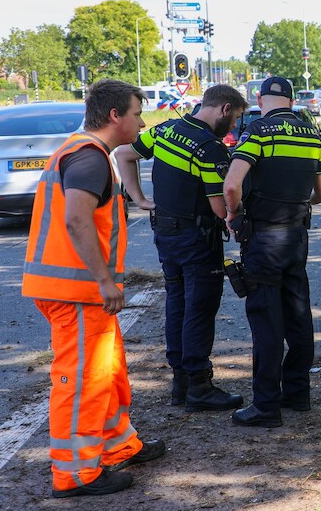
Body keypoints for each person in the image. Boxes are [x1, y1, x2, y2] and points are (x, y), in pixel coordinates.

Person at [23, 79, 166, 498]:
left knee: (107, 371)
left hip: (77, 290)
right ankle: (75, 474)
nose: (142, 123)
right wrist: (105, 280)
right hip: (77, 291)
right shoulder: (89, 157)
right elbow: (76, 219)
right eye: (137, 114)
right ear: (115, 116)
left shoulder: (85, 152)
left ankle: (117, 445)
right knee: (84, 380)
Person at [117, 84, 248, 412]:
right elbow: (219, 208)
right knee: (200, 308)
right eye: (235, 118)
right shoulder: (210, 148)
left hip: (166, 234)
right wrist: (239, 212)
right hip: (197, 240)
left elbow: (123, 155)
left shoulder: (165, 130)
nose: (233, 126)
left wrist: (139, 199)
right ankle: (200, 386)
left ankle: (181, 383)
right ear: (225, 109)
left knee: (177, 302)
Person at [223, 76, 321, 428]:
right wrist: (296, 204)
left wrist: (234, 213)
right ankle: (297, 393)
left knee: (266, 320)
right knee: (298, 315)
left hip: (263, 239)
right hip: (296, 237)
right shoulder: (313, 136)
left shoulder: (257, 132)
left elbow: (232, 185)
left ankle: (266, 406)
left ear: (259, 99)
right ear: (292, 101)